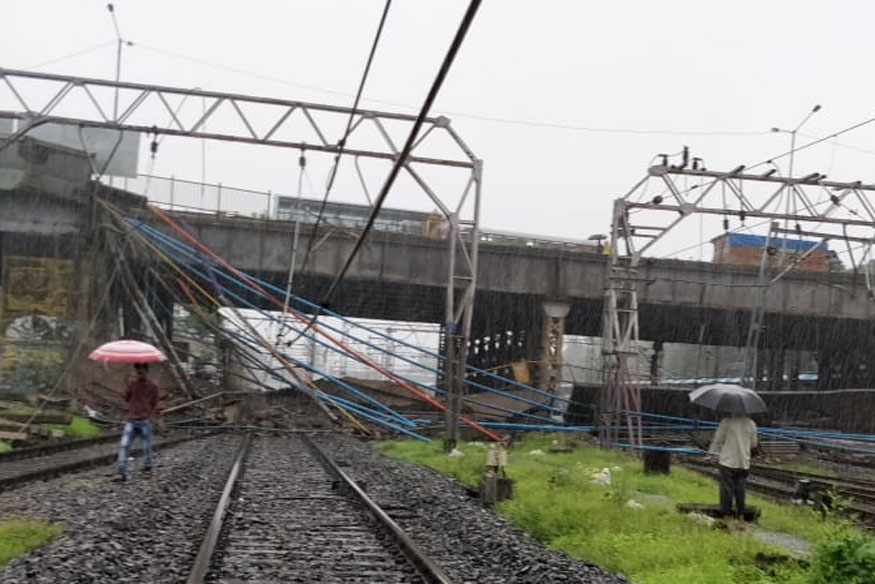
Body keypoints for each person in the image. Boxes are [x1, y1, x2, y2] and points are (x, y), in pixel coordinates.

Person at [111, 362, 159, 482]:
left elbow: (154, 402)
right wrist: (126, 388)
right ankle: (121, 472)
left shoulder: (153, 386)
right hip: (131, 420)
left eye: (141, 372)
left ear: (146, 372)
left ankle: (147, 469)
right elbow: (126, 398)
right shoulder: (132, 385)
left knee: (146, 447)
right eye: (138, 372)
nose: (139, 374)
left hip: (144, 420)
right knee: (124, 445)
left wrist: (149, 415)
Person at [708, 413, 758, 526]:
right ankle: (741, 518)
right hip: (743, 463)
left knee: (726, 491)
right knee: (740, 490)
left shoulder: (726, 422)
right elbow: (754, 444)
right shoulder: (751, 423)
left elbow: (718, 439)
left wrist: (711, 453)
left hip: (727, 461)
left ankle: (726, 518)